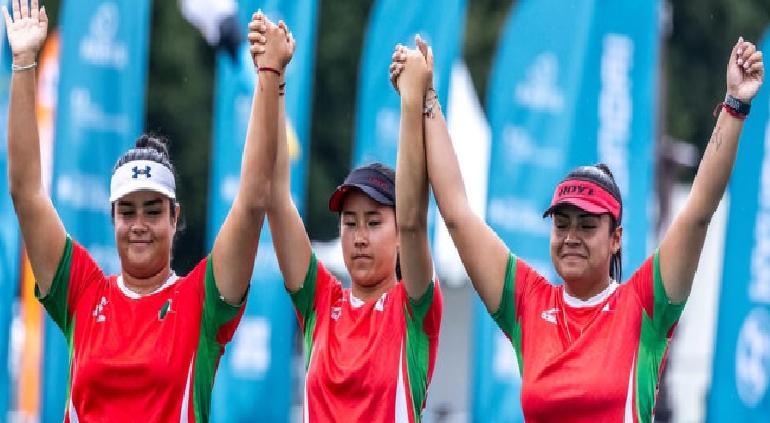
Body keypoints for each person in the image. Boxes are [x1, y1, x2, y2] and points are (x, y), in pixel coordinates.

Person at [390, 36, 763, 421]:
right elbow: (456, 215)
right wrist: (427, 97)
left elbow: (698, 212)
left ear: (616, 239)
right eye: (562, 224)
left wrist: (734, 104)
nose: (570, 237)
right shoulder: (528, 304)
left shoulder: (642, 305)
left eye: (587, 225)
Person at [4, 1, 293, 420]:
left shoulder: (200, 301)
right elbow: (26, 192)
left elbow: (252, 202)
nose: (139, 225)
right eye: (128, 211)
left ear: (175, 219)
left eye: (153, 211)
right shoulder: (83, 292)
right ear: (113, 219)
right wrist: (24, 62)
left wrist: (269, 77)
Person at [249, 17, 442, 422]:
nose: (358, 236)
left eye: (373, 222)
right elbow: (277, 199)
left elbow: (412, 220)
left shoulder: (414, 308)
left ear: (398, 236)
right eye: (350, 222)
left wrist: (413, 101)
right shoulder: (321, 301)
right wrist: (273, 77)